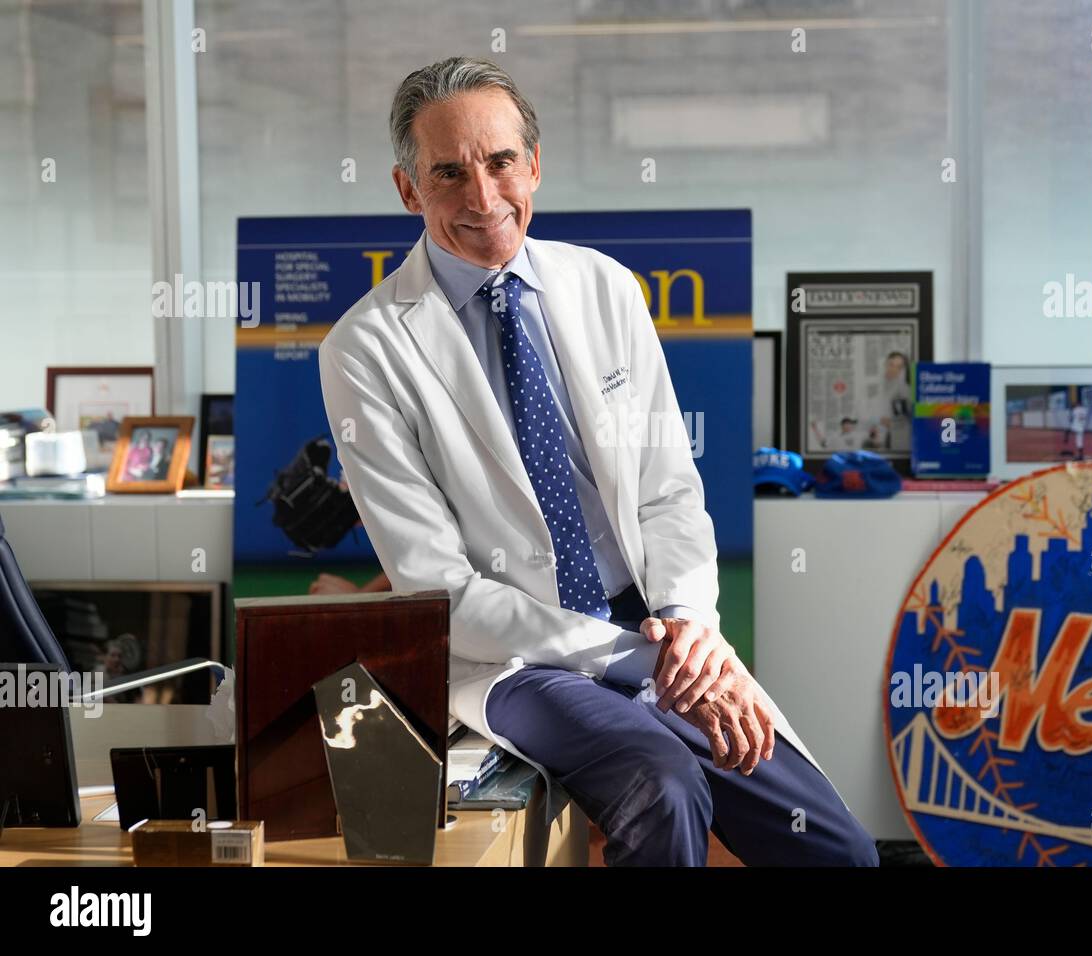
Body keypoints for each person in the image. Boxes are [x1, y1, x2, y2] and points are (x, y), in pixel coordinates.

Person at [317, 57, 877, 866]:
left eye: (501, 162)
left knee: (840, 852)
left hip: (658, 633)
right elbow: (437, 590)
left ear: (533, 164)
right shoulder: (365, 350)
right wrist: (640, 656)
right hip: (512, 661)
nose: (482, 197)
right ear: (409, 191)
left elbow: (669, 495)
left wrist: (687, 628)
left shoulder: (606, 288)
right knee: (664, 782)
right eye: (448, 173)